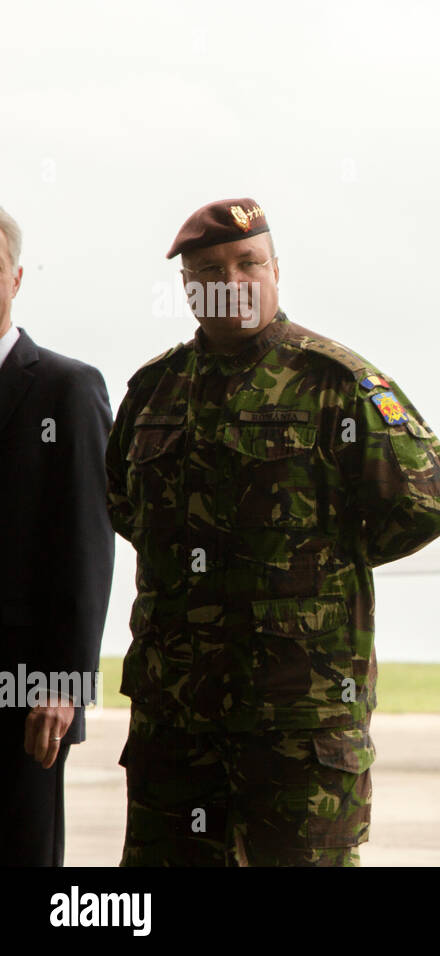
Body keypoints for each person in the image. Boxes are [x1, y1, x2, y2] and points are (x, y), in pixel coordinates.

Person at [106, 198, 440, 866]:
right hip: (176, 723)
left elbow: (428, 502)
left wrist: (318, 562)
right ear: (185, 287)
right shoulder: (154, 392)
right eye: (210, 269)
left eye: (249, 263)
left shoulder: (337, 384)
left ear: (276, 269)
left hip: (300, 722)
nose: (232, 281)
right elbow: (125, 507)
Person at [0, 205, 114, 866]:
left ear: (16, 280)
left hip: (19, 702)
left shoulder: (66, 389)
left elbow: (87, 546)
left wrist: (65, 684)